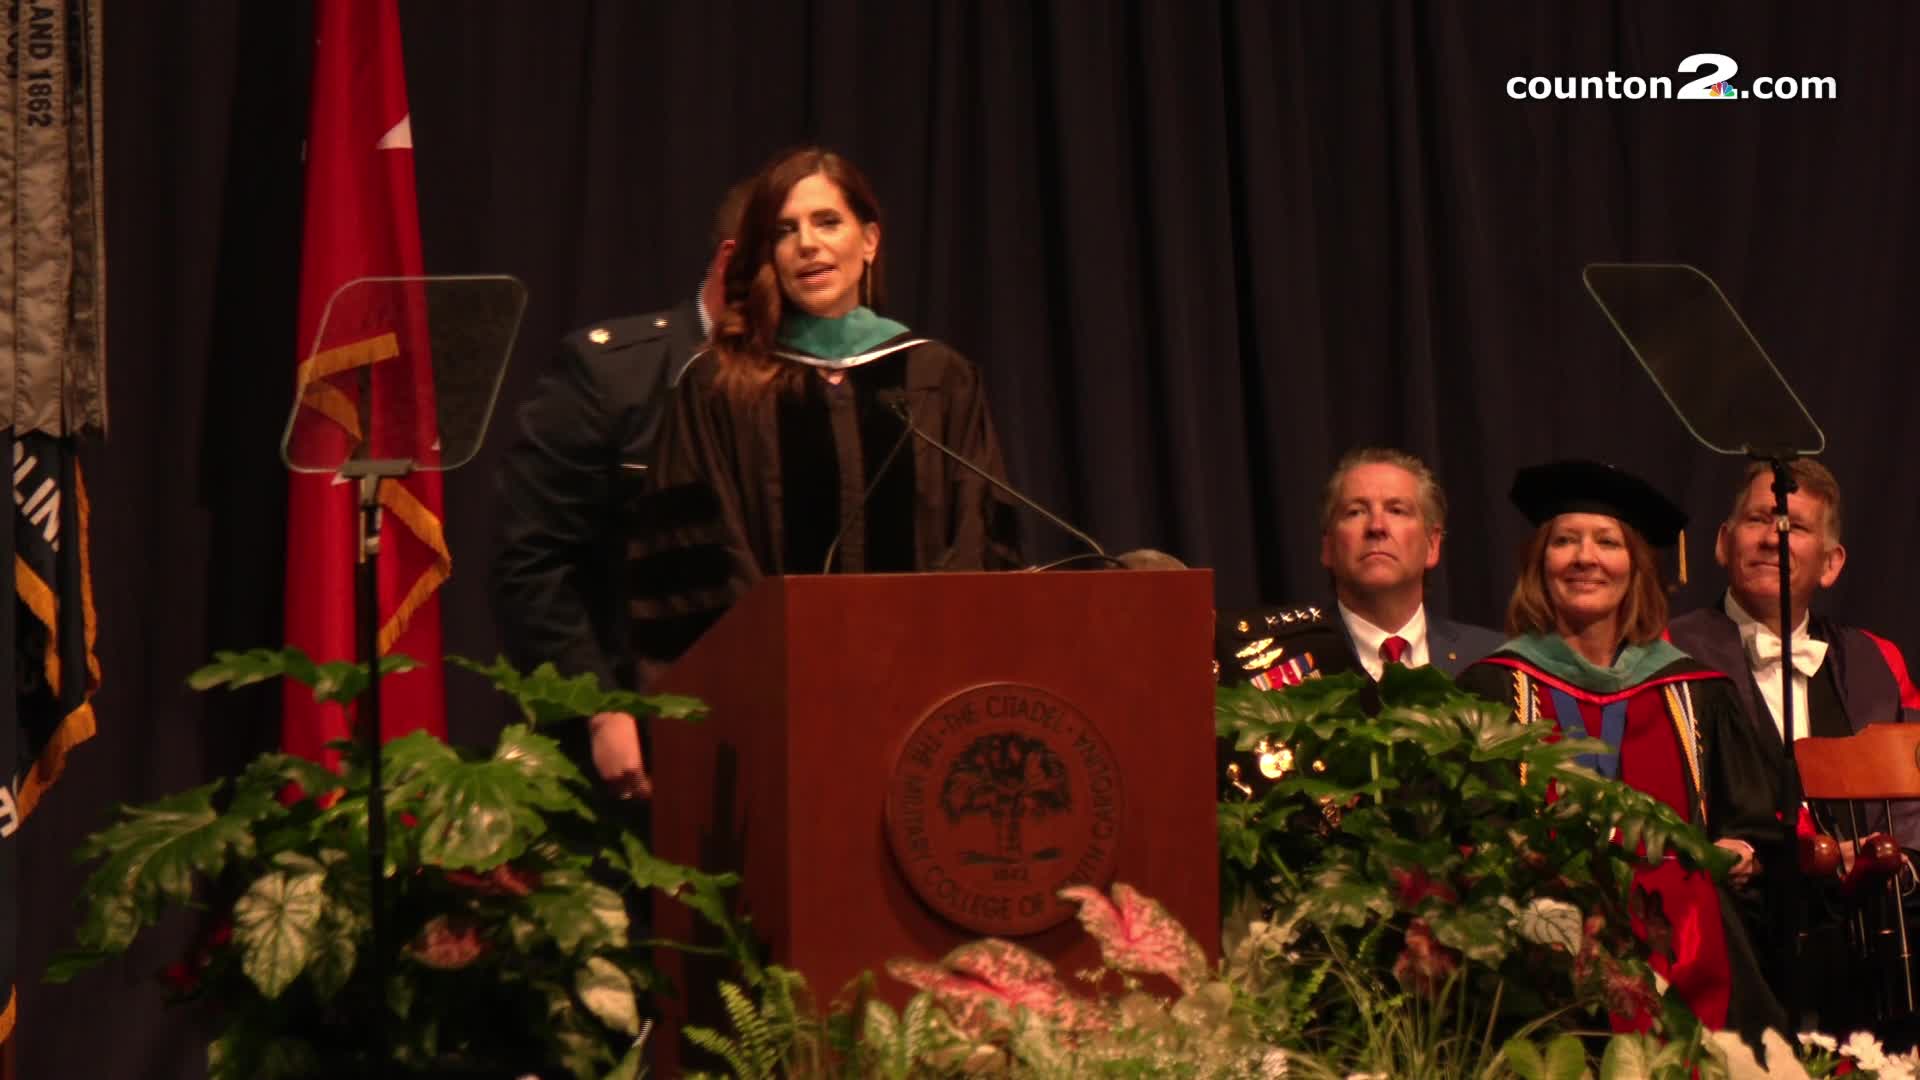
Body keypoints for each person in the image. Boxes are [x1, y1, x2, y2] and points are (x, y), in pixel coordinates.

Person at [626, 145, 1022, 684]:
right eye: (785, 231)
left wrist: (931, 650)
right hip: (771, 688)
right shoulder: (718, 386)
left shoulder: (938, 377)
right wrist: (778, 658)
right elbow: (695, 561)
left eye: (828, 222)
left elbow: (978, 536)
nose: (807, 244)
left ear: (870, 240)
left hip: (925, 683)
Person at [1454, 460, 1784, 1037]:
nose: (1586, 558)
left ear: (1635, 567)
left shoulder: (1694, 693)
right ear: (1540, 564)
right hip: (1537, 973)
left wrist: (1742, 851)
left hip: (1689, 961)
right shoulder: (1492, 689)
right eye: (1565, 542)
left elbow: (1755, 825)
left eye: (1607, 542)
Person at [489, 181, 749, 801]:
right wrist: (598, 708)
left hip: (780, 718)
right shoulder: (614, 372)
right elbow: (530, 561)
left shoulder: (819, 384)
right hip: (633, 731)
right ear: (733, 260)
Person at [1667, 459, 1920, 1030]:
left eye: (1795, 527)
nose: (1771, 540)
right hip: (1734, 921)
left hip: (1860, 928)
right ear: (1724, 542)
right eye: (1758, 520)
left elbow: (1910, 802)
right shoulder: (1669, 650)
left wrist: (1888, 855)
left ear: (1830, 564)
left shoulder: (1876, 661)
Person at [1217, 448, 1502, 691]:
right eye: (1355, 512)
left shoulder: (1492, 660)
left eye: (1397, 510)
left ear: (1432, 545)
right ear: (1327, 547)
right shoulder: (1278, 659)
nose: (1377, 527)